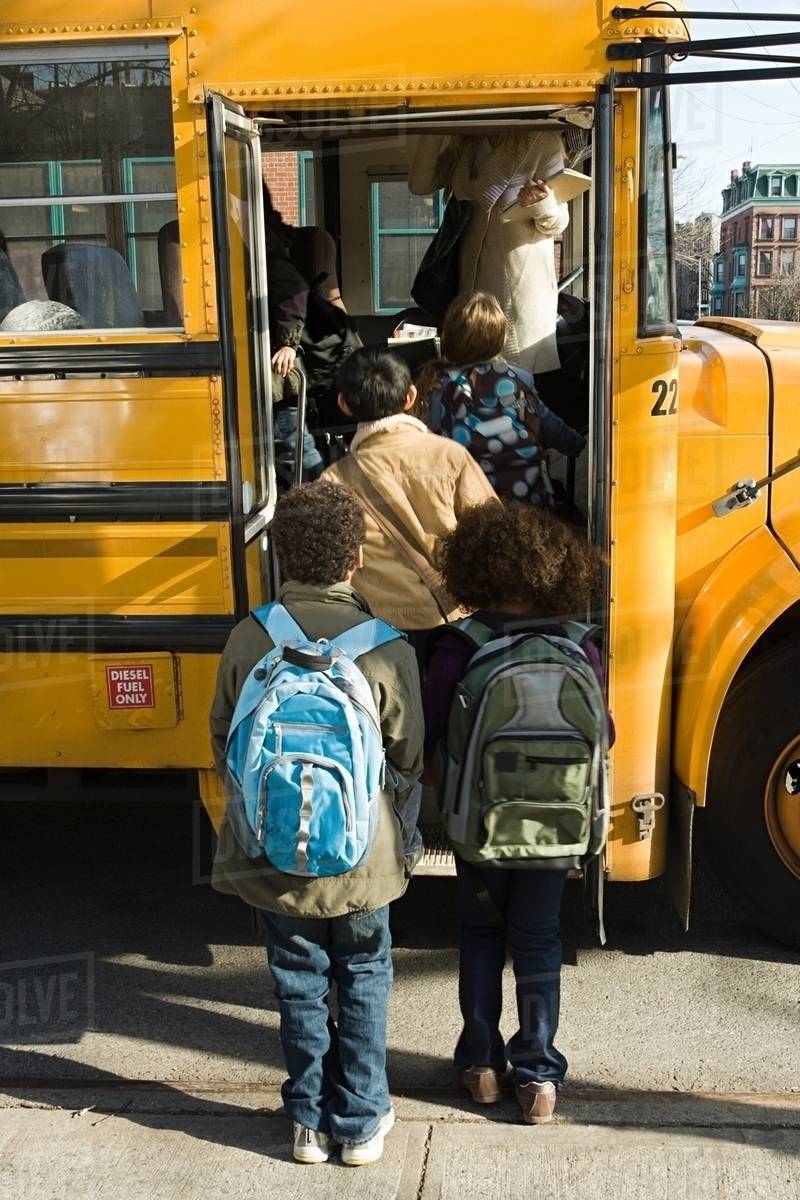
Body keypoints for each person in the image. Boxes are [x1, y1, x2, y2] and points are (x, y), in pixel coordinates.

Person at [209, 480, 423, 1166]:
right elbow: (411, 755)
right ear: (355, 560)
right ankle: (360, 1123)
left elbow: (224, 743)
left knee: (297, 979)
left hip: (273, 853)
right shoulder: (387, 646)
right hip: (364, 855)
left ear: (282, 559)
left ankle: (306, 1120)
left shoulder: (251, 637)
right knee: (363, 971)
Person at [422, 501, 612, 1125]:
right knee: (539, 941)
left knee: (480, 936)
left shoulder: (460, 644)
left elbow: (432, 727)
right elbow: (602, 734)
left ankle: (479, 1065)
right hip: (557, 827)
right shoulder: (580, 647)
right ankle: (537, 1077)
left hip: (480, 824)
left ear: (475, 569)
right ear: (558, 573)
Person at [321, 346, 498, 655]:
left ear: (344, 405)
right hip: (452, 623)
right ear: (410, 397)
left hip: (374, 633)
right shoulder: (450, 456)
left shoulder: (333, 480)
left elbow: (331, 571)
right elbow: (494, 533)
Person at [409, 131, 568, 377]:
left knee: (516, 389)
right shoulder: (466, 146)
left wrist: (541, 202)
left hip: (518, 294)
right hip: (470, 292)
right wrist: (434, 127)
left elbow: (559, 221)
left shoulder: (539, 141)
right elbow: (420, 184)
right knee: (471, 385)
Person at [422, 290, 585, 505]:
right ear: (500, 338)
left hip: (465, 506)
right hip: (526, 506)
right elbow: (554, 430)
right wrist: (577, 444)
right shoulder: (518, 380)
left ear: (449, 336)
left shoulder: (434, 386)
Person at [263, 186, 359, 483]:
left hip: (283, 376)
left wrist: (288, 343)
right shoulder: (270, 246)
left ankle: (322, 500)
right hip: (280, 375)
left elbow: (293, 294)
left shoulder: (268, 253)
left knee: (294, 446)